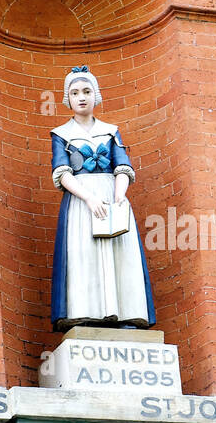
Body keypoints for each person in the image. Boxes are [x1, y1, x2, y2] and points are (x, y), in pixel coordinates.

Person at [50, 66, 155, 331]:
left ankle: (126, 313)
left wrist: (119, 195)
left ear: (96, 95)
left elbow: (122, 166)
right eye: (75, 93)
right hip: (82, 201)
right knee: (84, 253)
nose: (81, 97)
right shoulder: (61, 134)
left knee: (120, 253)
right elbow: (62, 173)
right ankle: (85, 312)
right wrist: (88, 198)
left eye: (86, 91)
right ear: (68, 99)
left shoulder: (110, 131)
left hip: (111, 195)